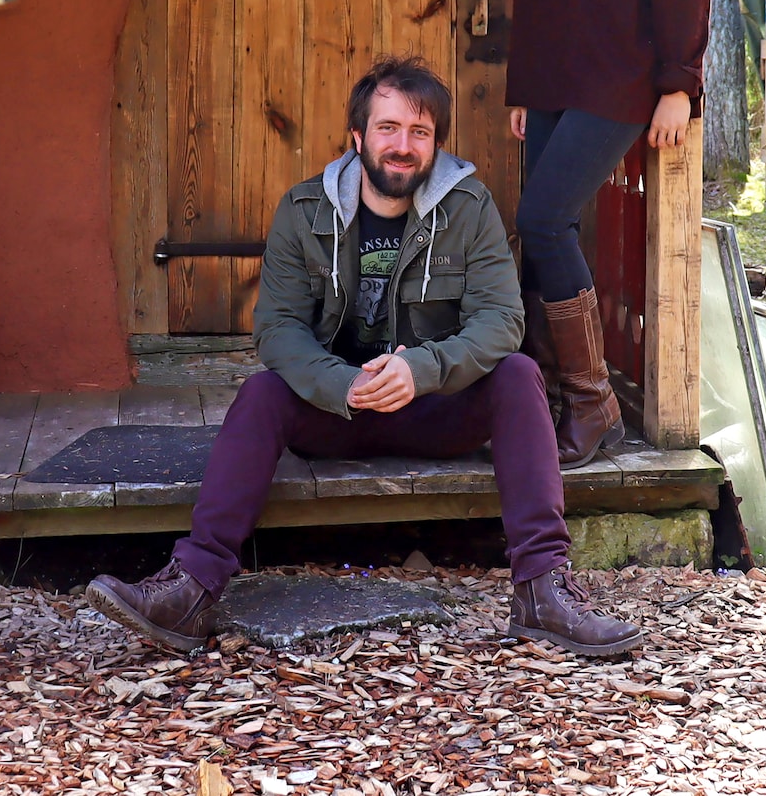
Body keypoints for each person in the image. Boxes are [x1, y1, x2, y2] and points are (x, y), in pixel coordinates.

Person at [87, 57, 644, 657]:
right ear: (358, 138)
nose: (402, 146)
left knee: (518, 374)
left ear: (435, 144)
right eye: (388, 128)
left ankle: (542, 591)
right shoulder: (304, 211)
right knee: (262, 393)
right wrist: (343, 385)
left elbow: (501, 321)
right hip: (338, 414)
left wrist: (421, 369)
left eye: (420, 132)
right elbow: (276, 329)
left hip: (437, 409)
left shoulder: (470, 207)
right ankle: (191, 591)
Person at [507, 0, 711, 466]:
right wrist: (526, 87)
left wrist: (677, 84)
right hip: (557, 79)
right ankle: (554, 400)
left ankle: (594, 411)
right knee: (541, 232)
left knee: (545, 217)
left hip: (623, 79)